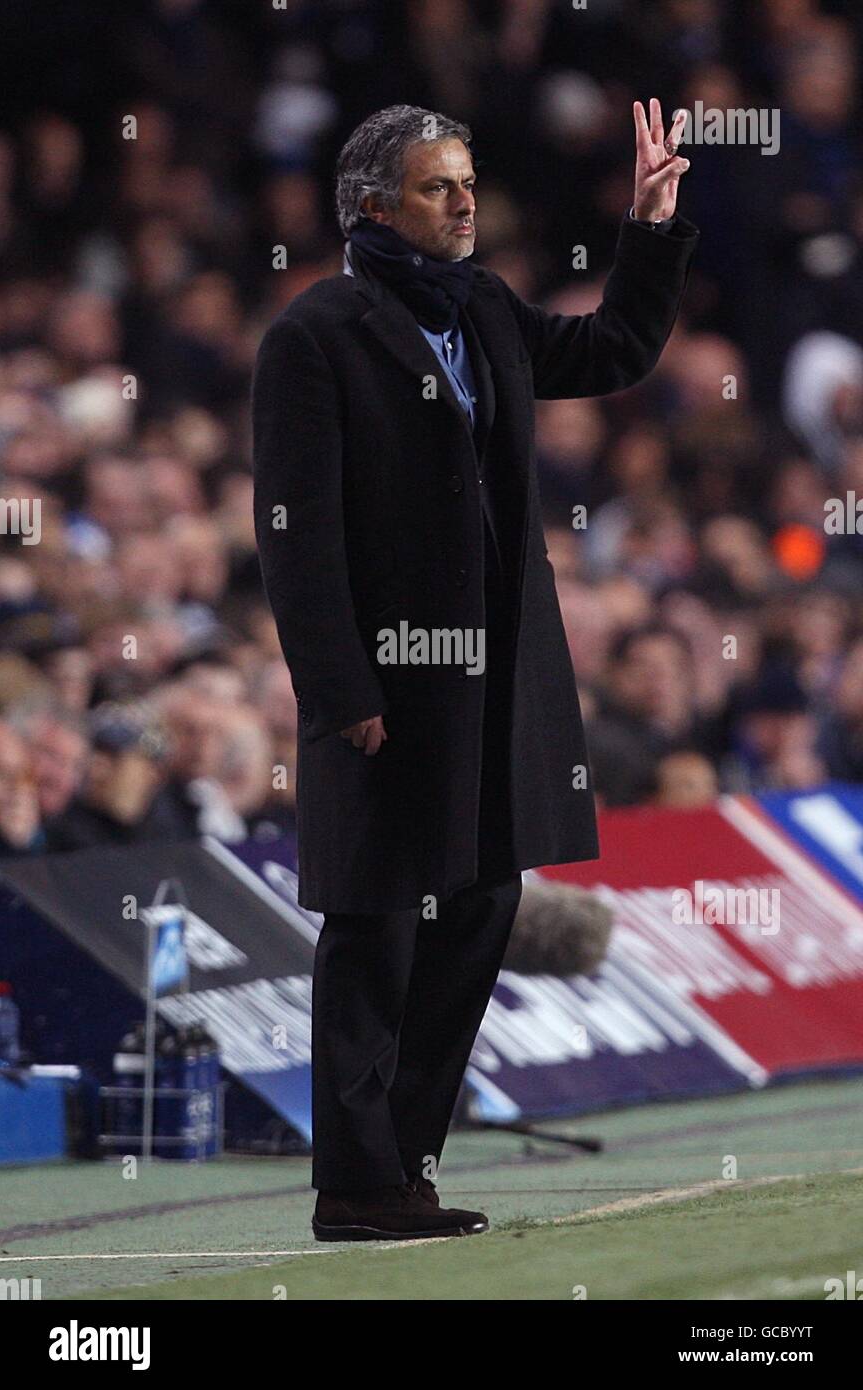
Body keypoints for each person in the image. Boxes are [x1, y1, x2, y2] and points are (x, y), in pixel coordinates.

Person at [252, 101, 698, 1241]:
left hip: (497, 684)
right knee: (374, 927)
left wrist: (649, 229)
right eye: (439, 186)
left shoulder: (488, 307)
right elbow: (296, 534)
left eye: (468, 181)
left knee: (484, 902)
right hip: (387, 693)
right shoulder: (317, 335)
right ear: (373, 205)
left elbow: (613, 351)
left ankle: (405, 1164)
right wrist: (341, 688)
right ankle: (353, 1187)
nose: (465, 202)